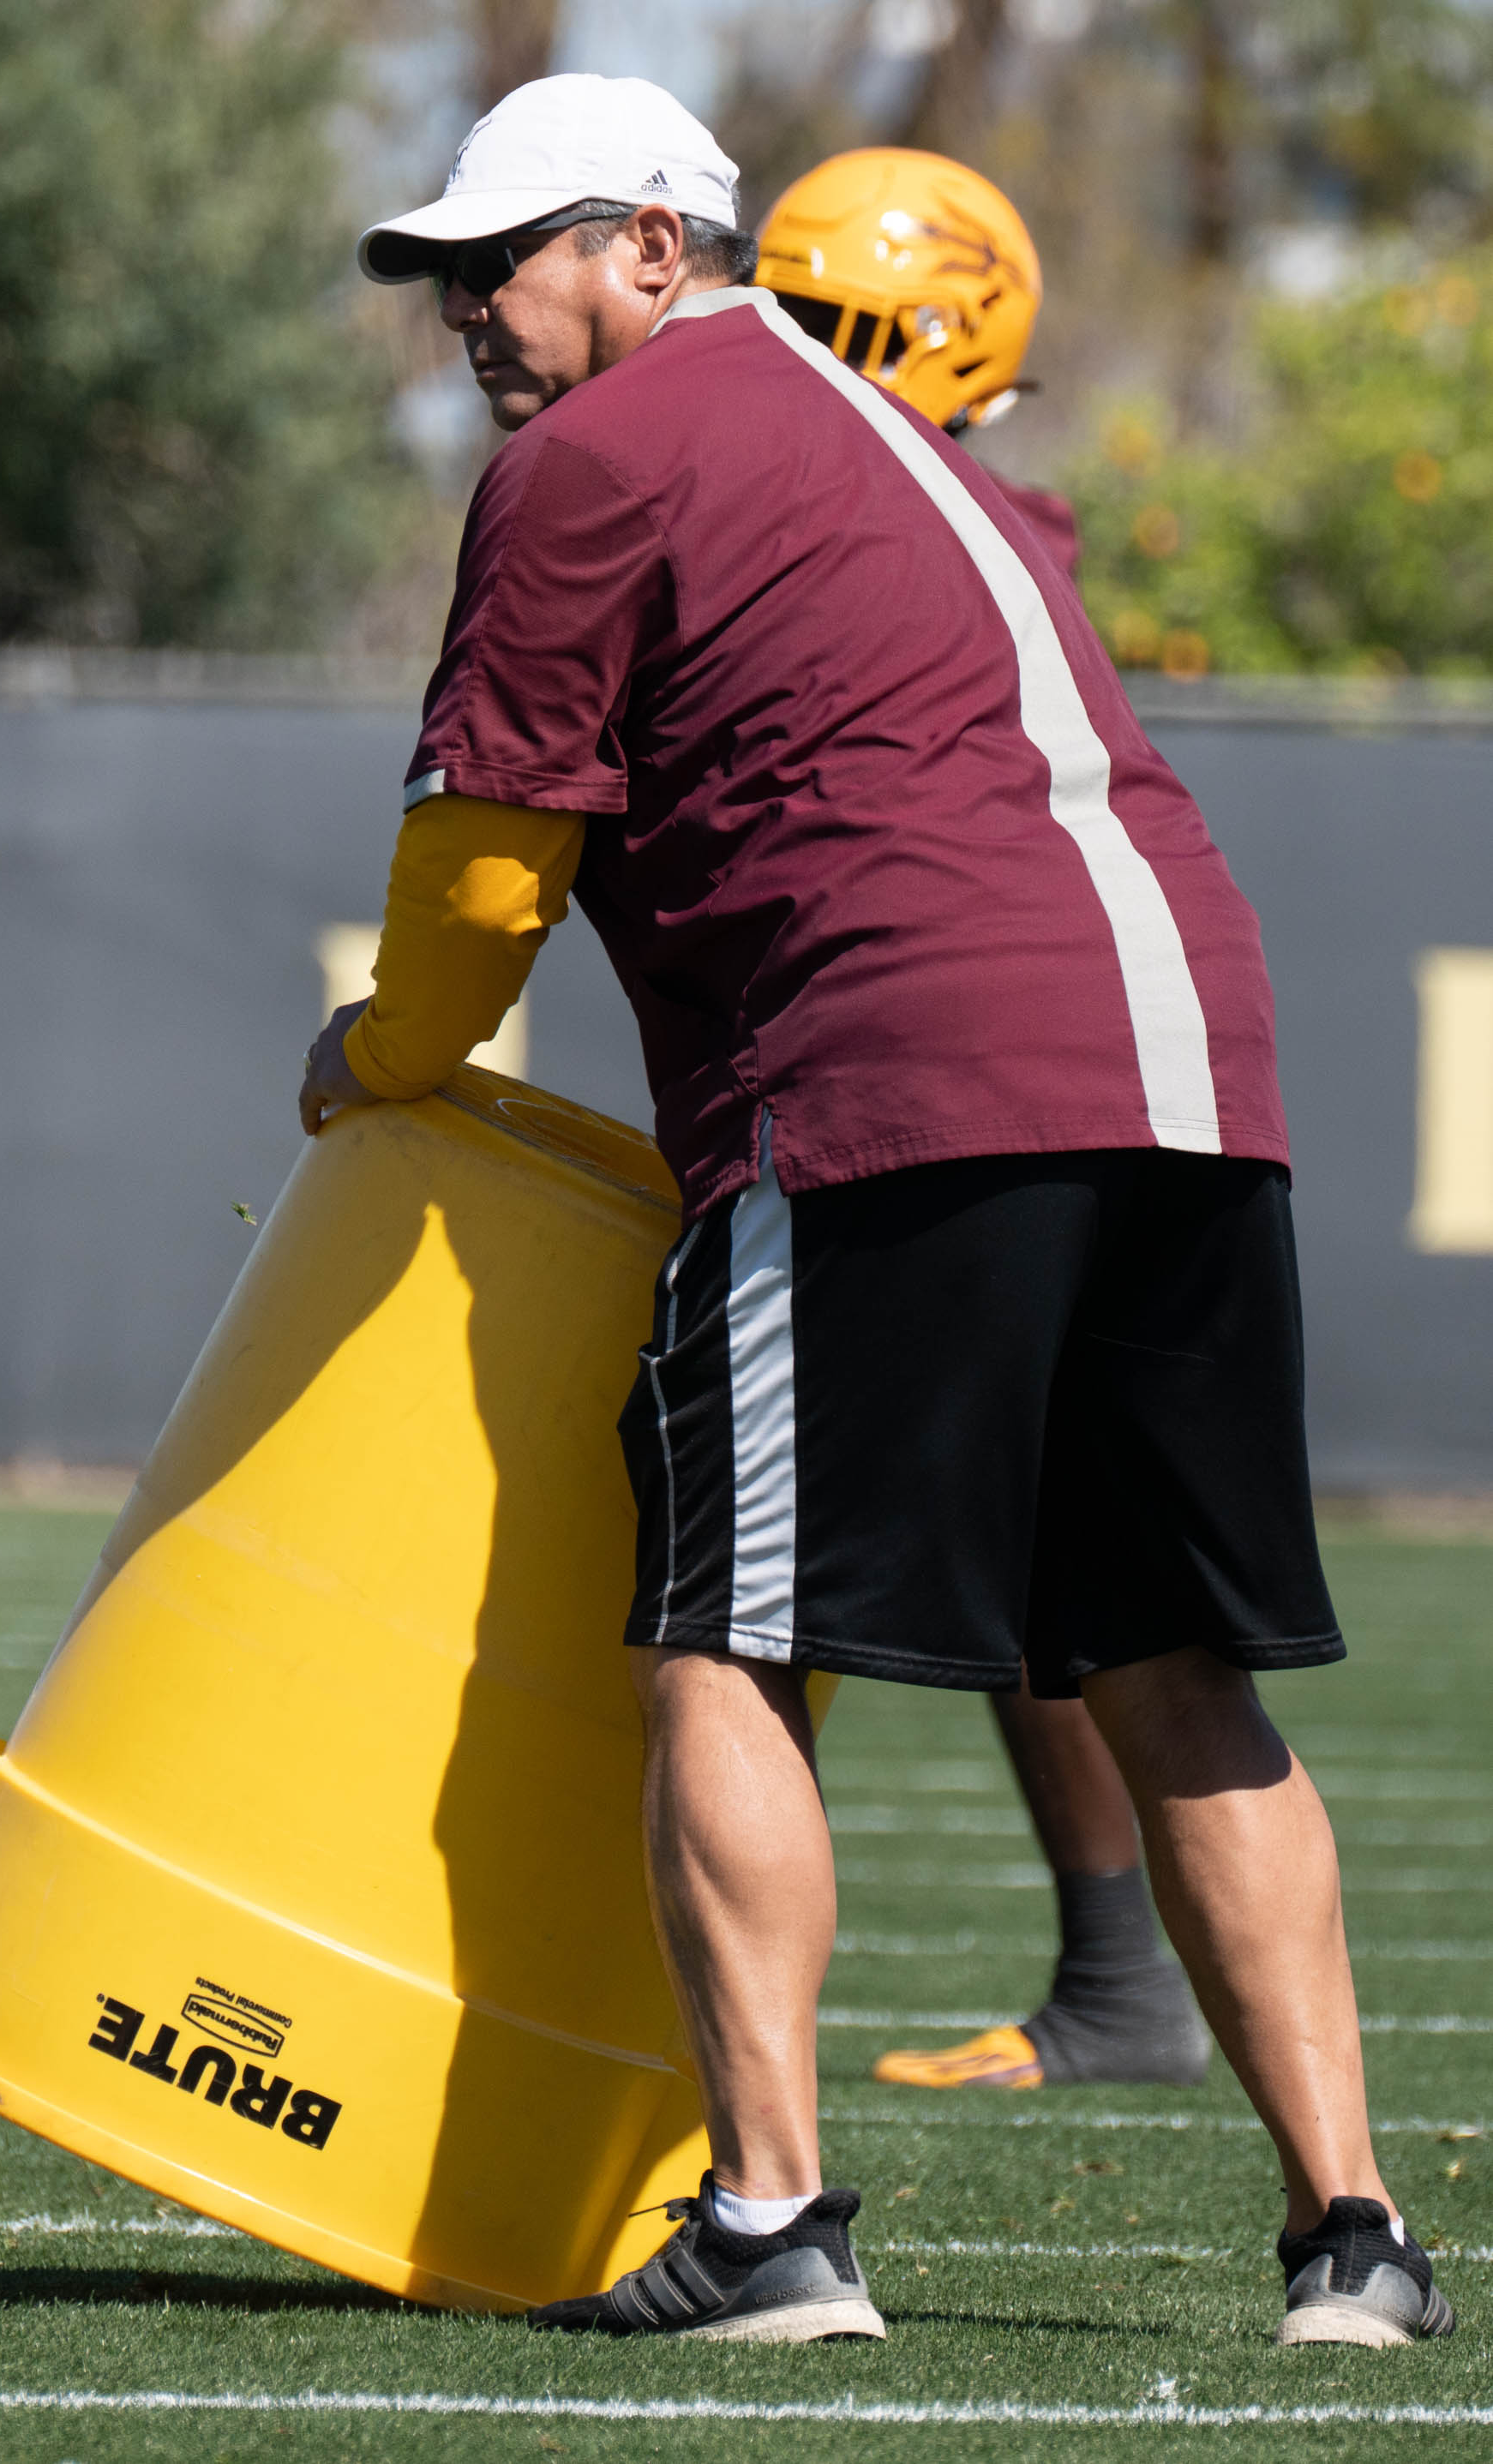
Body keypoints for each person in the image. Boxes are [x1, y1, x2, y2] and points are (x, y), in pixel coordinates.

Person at [312, 75, 1447, 2347]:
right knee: (1170, 1654)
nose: (465, 312)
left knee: (723, 1633)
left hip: (892, 1069)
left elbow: (487, 869)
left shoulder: (598, 456)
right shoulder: (929, 452)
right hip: (1185, 1064)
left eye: (499, 261)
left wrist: (393, 1052)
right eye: (445, 278)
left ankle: (768, 2220)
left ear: (651, 246)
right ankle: (1355, 2236)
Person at [759, 147, 1209, 2096]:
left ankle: (706, 2076)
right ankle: (1133, 1993)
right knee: (1055, 1549)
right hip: (1112, 1053)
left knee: (748, 1584)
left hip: (961, 1072)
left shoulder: (861, 512)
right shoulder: (988, 511)